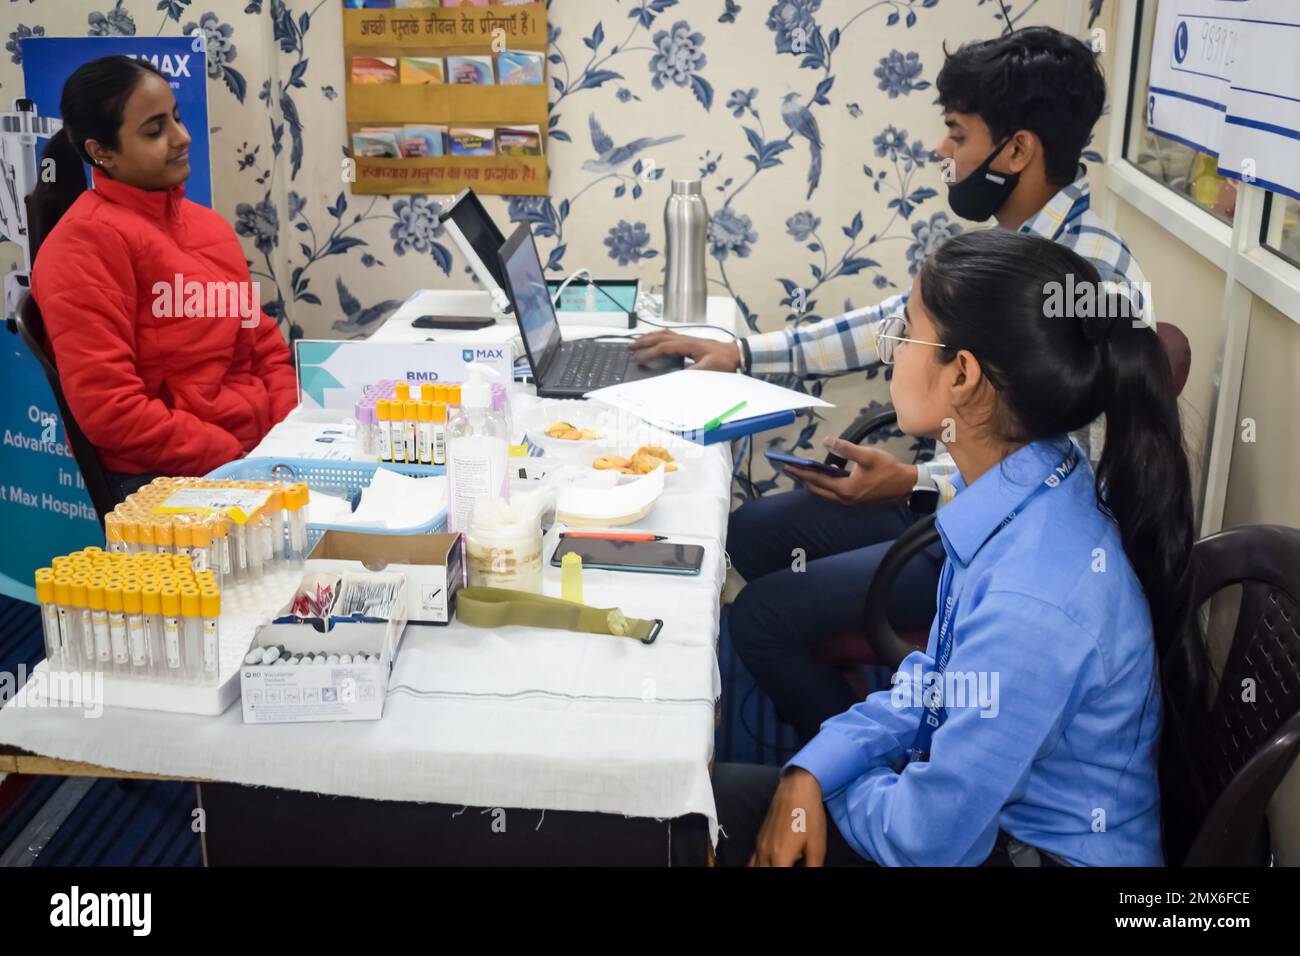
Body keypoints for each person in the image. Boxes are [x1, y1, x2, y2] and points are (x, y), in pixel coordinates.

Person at [633, 27, 1153, 743]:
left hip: (1001, 535)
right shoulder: (1006, 246)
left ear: (1018, 151)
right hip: (957, 498)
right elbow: (889, 323)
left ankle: (866, 768)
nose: (944, 153)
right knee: (749, 532)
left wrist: (915, 482)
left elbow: (1076, 474)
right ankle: (832, 720)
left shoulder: (1087, 277)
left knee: (760, 616)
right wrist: (743, 352)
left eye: (957, 134)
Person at [712, 229, 1196, 866]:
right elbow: (934, 687)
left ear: (963, 375)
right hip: (979, 829)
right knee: (717, 805)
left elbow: (924, 842)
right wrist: (811, 770)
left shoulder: (1033, 599)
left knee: (698, 818)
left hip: (1021, 854)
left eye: (905, 332)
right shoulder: (1025, 489)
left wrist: (825, 790)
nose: (892, 354)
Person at [29, 56, 296, 503]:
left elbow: (263, 346)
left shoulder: (206, 226)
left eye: (176, 117)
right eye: (154, 131)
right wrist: (234, 460)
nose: (182, 137)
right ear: (101, 152)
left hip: (258, 457)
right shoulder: (83, 246)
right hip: (169, 480)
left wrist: (288, 434)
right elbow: (111, 410)